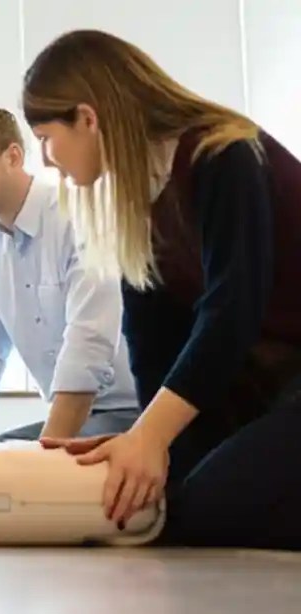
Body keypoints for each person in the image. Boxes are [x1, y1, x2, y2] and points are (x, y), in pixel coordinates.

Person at [24, 29, 301, 550]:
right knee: (162, 502)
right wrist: (147, 445)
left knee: (208, 511)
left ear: (87, 118)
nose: (45, 158)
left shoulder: (224, 154)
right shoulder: (141, 200)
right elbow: (152, 344)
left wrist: (150, 436)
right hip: (266, 386)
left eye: (45, 136)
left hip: (284, 379)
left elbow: (231, 314)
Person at [0, 106, 139, 442]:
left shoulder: (77, 218)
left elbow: (87, 344)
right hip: (75, 415)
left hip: (131, 412)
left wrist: (43, 454)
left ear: (13, 157)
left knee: (3, 466)